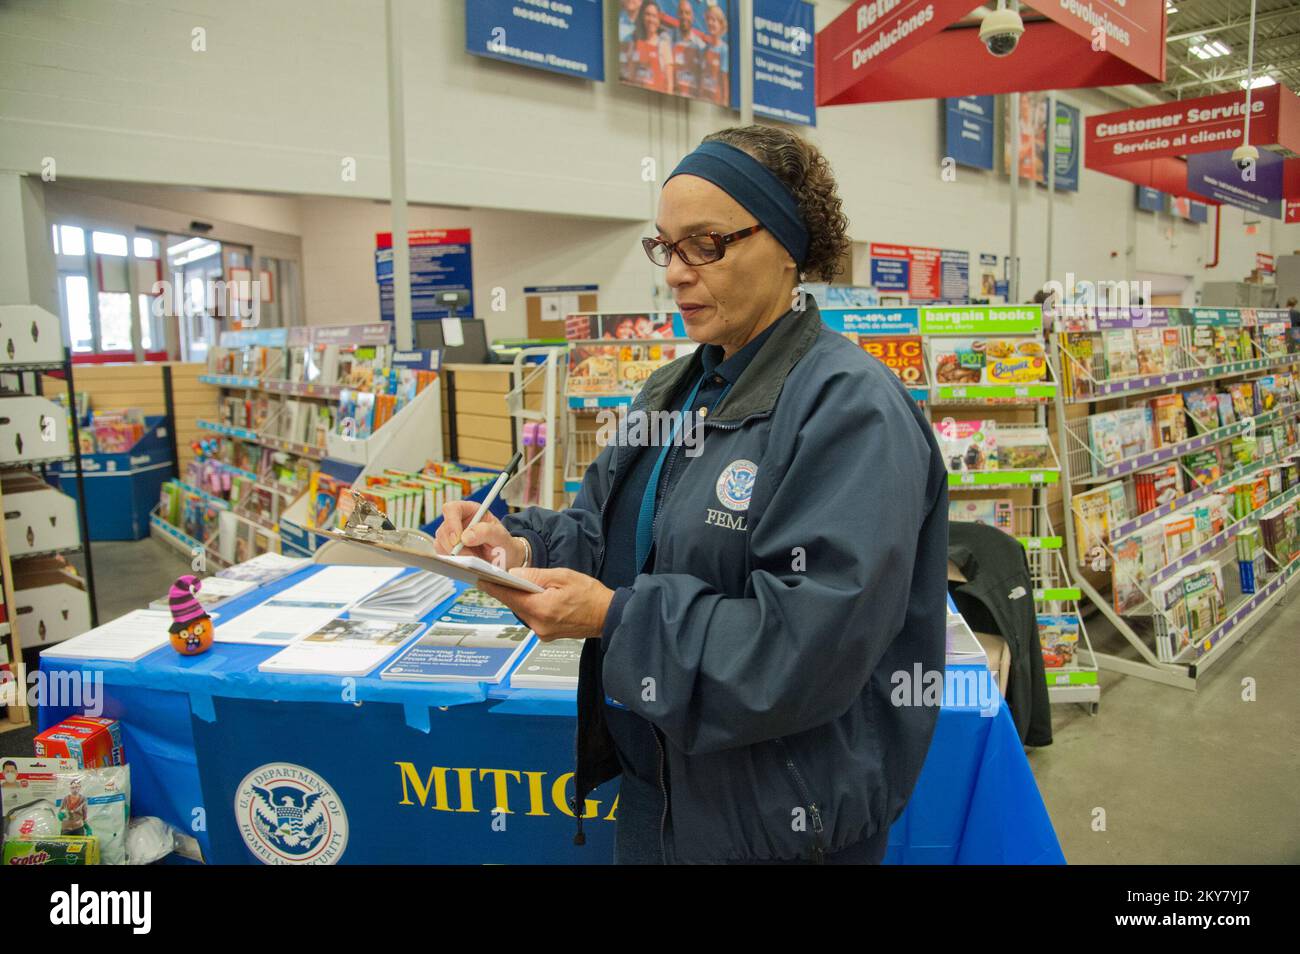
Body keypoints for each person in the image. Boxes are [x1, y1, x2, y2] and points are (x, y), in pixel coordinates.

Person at [436, 125, 948, 864]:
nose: (675, 273)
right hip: (663, 794)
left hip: (776, 820)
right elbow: (608, 530)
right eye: (666, 247)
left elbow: (805, 646)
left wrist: (613, 617)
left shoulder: (851, 411)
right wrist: (517, 547)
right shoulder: (675, 389)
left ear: (786, 247)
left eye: (705, 244)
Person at [621, 1, 673, 95]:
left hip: (658, 98)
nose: (651, 19)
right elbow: (630, 76)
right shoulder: (635, 43)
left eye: (654, 16)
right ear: (643, 17)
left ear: (658, 20)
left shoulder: (663, 45)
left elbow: (669, 82)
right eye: (648, 15)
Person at [670, 1, 703, 99]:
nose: (684, 16)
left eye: (687, 13)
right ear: (677, 15)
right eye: (681, 12)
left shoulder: (700, 46)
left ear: (692, 17)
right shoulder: (667, 38)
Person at [699, 2, 730, 105]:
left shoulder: (724, 50)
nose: (710, 23)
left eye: (714, 20)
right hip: (704, 101)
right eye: (708, 19)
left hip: (717, 103)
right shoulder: (704, 49)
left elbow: (725, 80)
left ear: (720, 24)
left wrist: (725, 102)